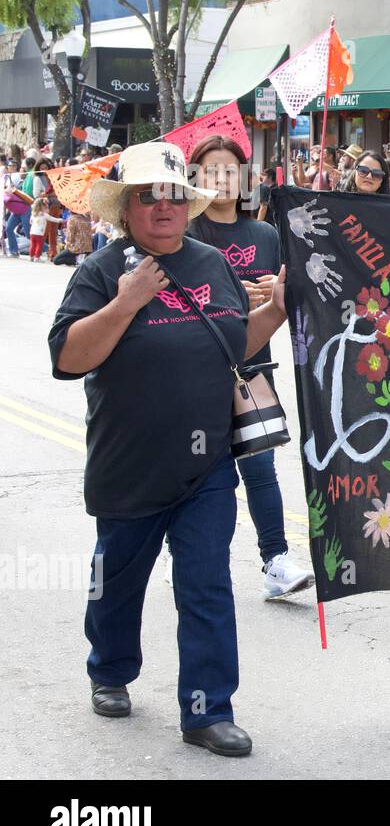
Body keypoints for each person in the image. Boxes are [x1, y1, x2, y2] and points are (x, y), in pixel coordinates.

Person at [49, 141, 288, 756]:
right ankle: (110, 669)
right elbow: (68, 358)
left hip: (205, 465)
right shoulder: (100, 271)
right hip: (128, 463)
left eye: (174, 194)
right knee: (119, 582)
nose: (163, 205)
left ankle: (207, 710)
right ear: (126, 208)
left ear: (189, 204)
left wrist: (279, 313)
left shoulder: (212, 263)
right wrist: (128, 301)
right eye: (148, 195)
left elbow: (236, 345)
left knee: (206, 583)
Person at [186, 135, 314, 599]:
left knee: (260, 467)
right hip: (192, 369)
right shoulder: (183, 231)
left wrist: (275, 296)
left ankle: (276, 561)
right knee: (194, 469)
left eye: (229, 169)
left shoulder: (265, 235)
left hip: (253, 369)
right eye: (210, 169)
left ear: (245, 178)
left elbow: (291, 293)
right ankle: (185, 551)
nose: (220, 178)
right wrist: (239, 293)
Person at [28, 195, 60, 260]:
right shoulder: (45, 215)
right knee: (39, 245)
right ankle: (37, 257)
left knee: (32, 245)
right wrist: (61, 220)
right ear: (42, 208)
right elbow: (53, 219)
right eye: (46, 208)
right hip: (40, 233)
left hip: (32, 232)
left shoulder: (33, 214)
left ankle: (31, 256)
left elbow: (30, 222)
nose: (48, 210)